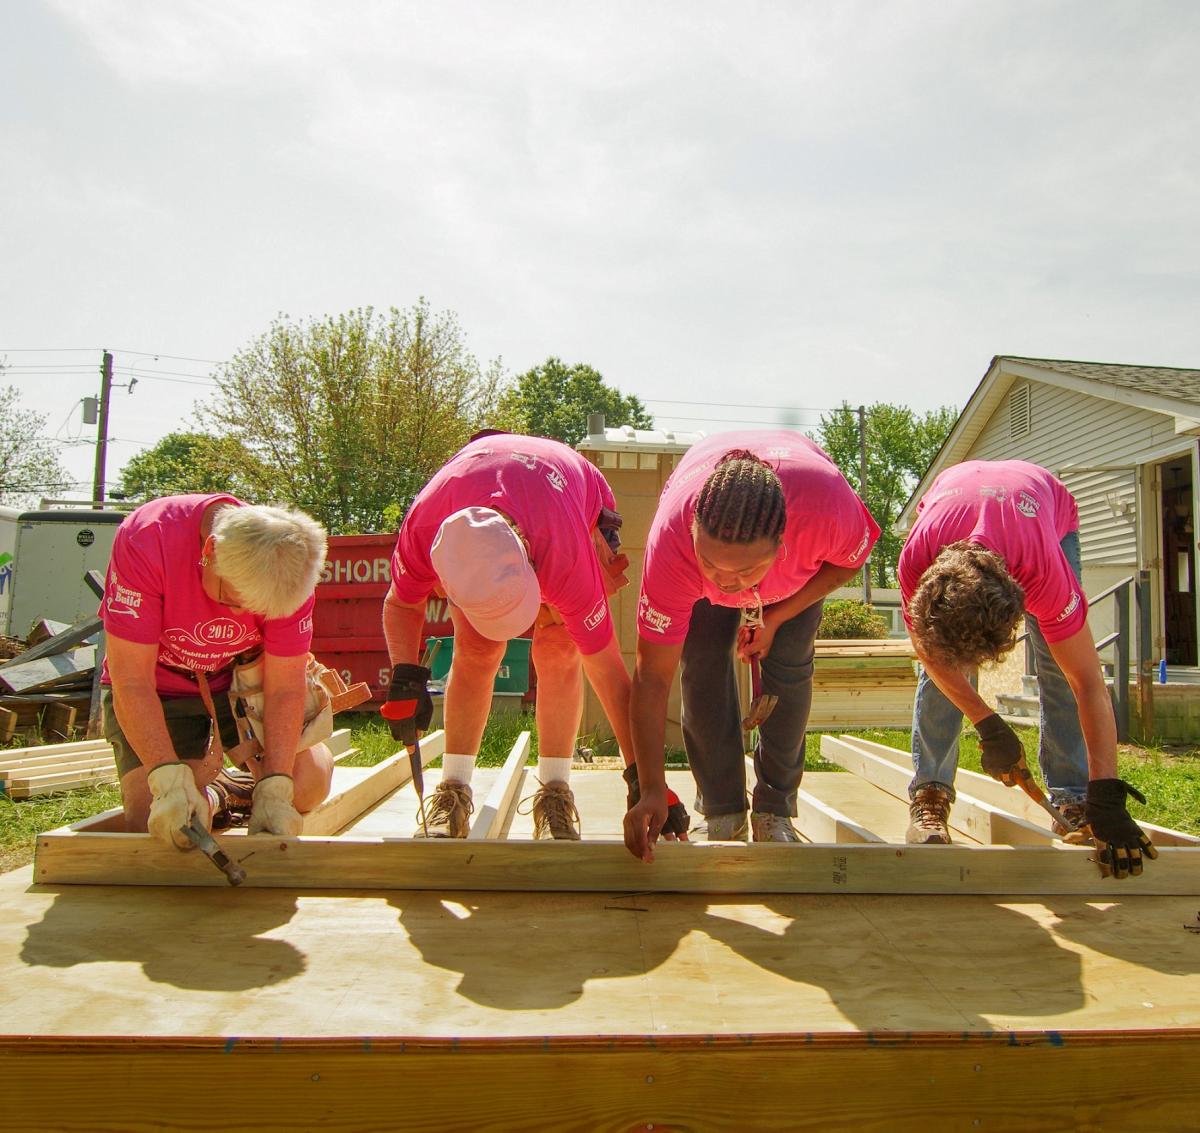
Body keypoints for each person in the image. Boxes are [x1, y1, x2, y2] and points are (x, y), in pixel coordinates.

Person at [382, 434, 672, 840]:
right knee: (477, 648)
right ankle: (454, 789)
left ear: (530, 563)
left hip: (571, 501)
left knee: (559, 649)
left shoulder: (565, 559)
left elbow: (607, 671)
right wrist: (405, 677)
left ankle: (555, 790)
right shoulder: (429, 531)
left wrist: (643, 779)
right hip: (489, 495)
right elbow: (401, 604)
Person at [623, 431, 880, 861]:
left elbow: (848, 563)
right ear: (692, 531)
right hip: (694, 568)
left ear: (784, 542)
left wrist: (776, 617)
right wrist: (650, 788)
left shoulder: (826, 511)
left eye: (745, 571)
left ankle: (774, 809)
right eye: (712, 563)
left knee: (791, 667)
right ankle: (723, 810)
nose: (726, 582)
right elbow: (651, 678)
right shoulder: (673, 546)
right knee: (701, 663)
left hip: (790, 583)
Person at [899, 459, 1156, 879]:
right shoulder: (916, 563)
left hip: (1045, 517)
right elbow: (929, 653)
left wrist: (1106, 792)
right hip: (953, 509)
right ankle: (931, 790)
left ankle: (1075, 796)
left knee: (1058, 666)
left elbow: (1087, 680)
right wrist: (987, 723)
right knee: (938, 668)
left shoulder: (1044, 575)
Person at [101, 494, 334, 846]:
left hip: (241, 681)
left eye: (260, 610)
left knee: (305, 789)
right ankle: (213, 792)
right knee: (162, 821)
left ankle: (235, 787)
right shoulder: (148, 538)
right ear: (209, 551)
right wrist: (168, 780)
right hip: (162, 683)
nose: (241, 616)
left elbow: (285, 688)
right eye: (232, 600)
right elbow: (131, 680)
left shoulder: (291, 569)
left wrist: (275, 784)